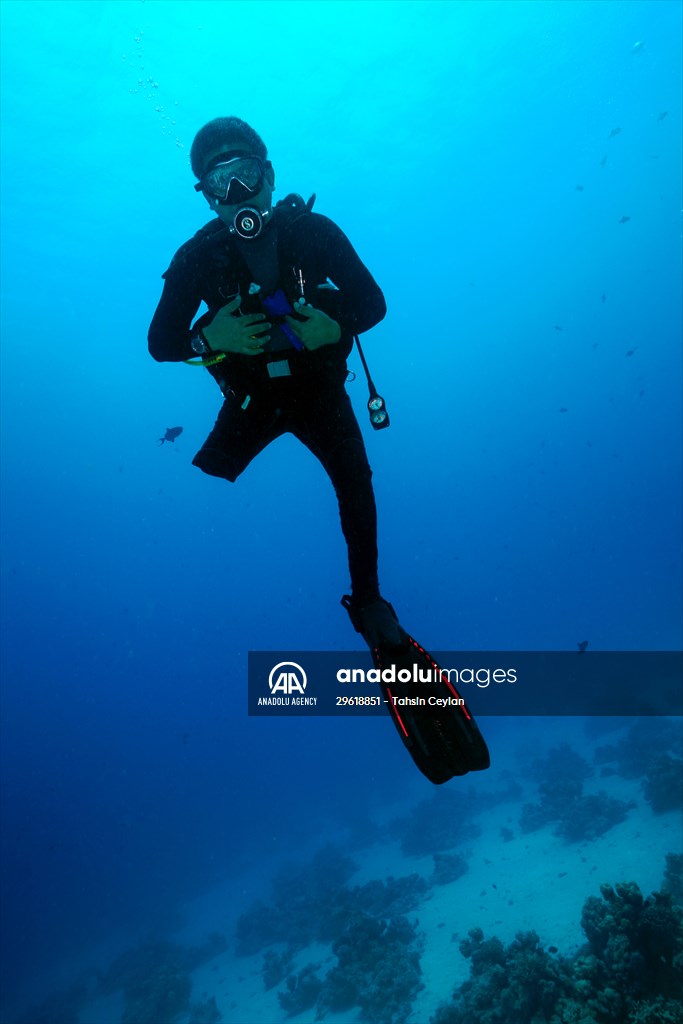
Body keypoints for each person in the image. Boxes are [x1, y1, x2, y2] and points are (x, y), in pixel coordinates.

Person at [148, 116, 403, 646]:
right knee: (213, 475)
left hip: (319, 392)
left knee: (357, 484)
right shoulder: (196, 259)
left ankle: (371, 605)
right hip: (252, 401)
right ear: (208, 197)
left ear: (268, 175)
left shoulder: (315, 233)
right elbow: (160, 344)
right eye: (222, 182)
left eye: (246, 174)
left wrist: (337, 324)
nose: (238, 192)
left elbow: (372, 302)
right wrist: (208, 337)